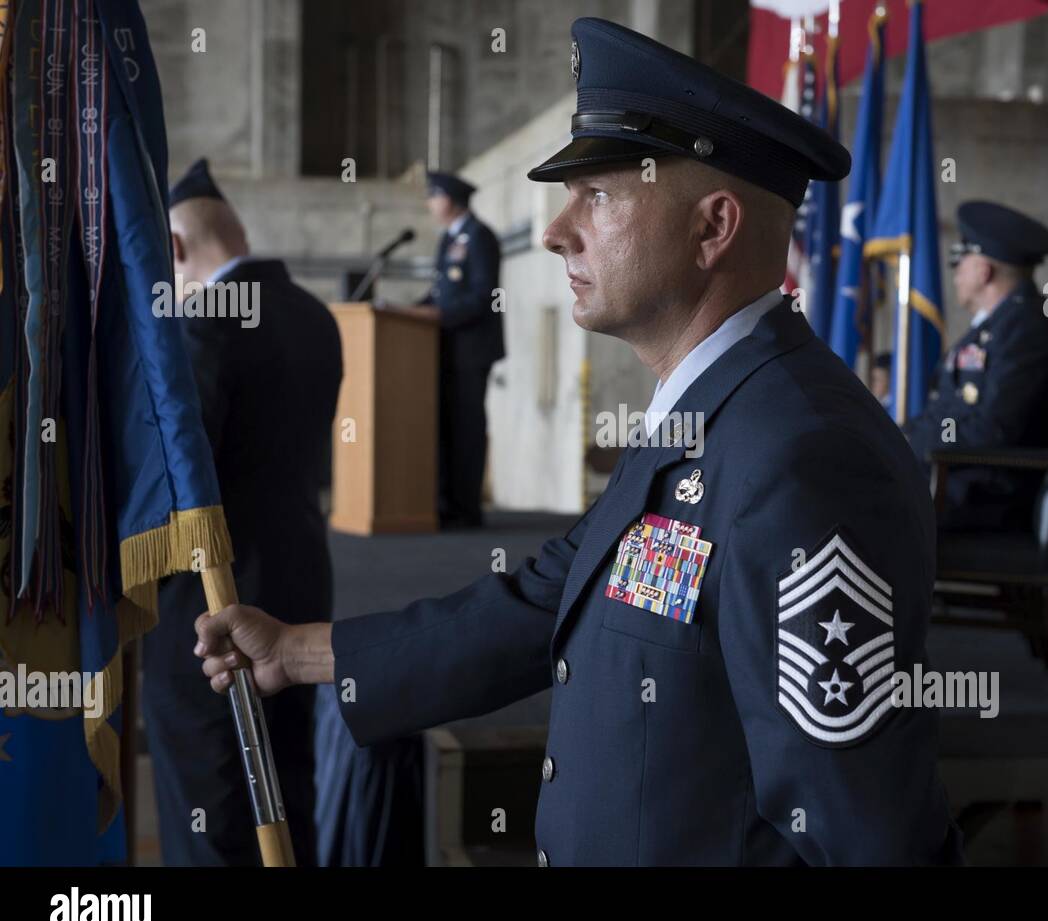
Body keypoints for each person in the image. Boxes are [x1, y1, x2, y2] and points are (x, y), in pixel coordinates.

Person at [195, 17, 963, 866]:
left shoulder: (805, 458)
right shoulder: (705, 409)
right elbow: (541, 603)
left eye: (597, 195)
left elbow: (866, 836)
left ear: (714, 228)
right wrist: (295, 649)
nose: (559, 230)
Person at [144, 158, 341, 866]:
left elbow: (180, 489)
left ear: (172, 248)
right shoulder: (317, 316)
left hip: (214, 609)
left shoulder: (204, 329)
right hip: (301, 582)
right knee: (289, 788)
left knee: (214, 807)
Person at [903, 200, 1048, 531]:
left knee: (849, 490)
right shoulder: (1003, 325)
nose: (956, 274)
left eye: (961, 262)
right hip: (959, 478)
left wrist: (904, 443)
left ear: (983, 271)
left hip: (980, 493)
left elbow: (992, 430)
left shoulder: (1024, 330)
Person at [379, 173, 505, 529]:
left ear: (449, 199)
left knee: (465, 428)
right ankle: (445, 503)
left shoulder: (479, 237)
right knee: (446, 427)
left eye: (433, 197)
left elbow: (482, 299)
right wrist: (404, 310)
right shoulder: (449, 239)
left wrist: (432, 314)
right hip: (444, 349)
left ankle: (466, 509)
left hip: (470, 350)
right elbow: (438, 294)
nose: (430, 204)